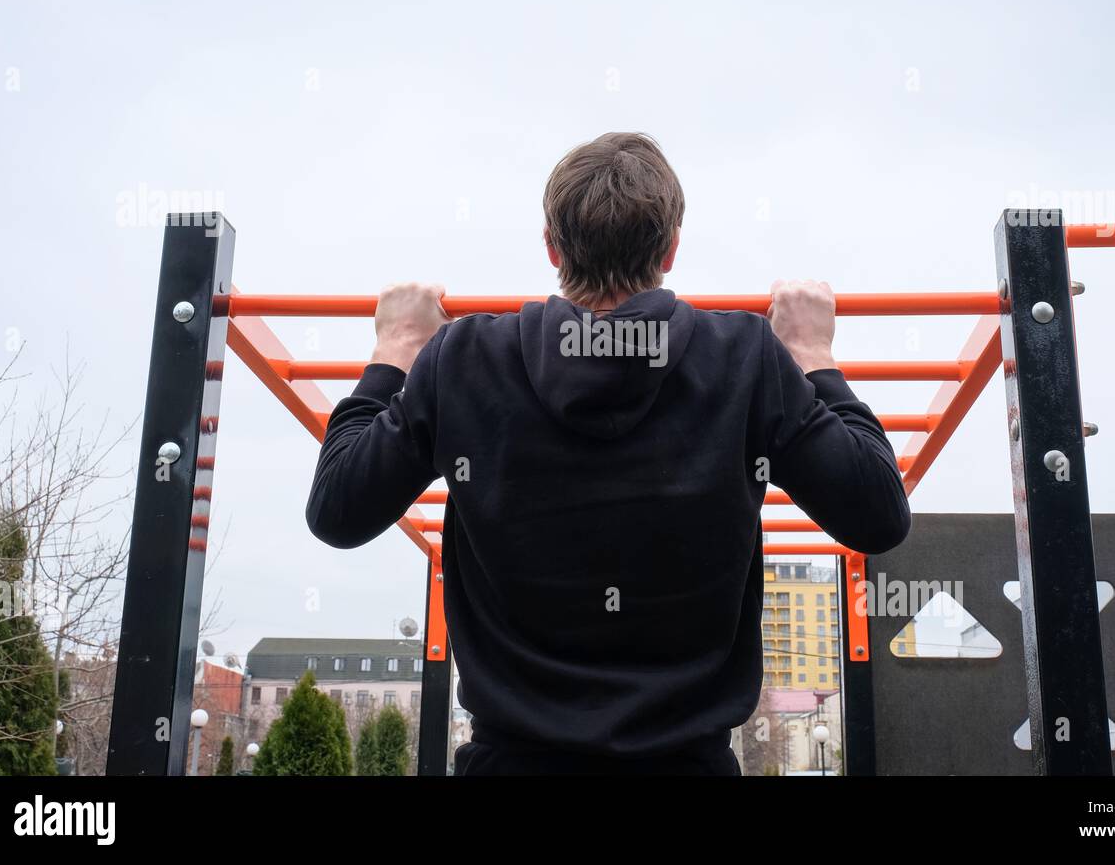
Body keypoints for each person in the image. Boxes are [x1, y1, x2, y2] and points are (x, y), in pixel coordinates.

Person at [305, 132, 911, 775]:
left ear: (551, 246)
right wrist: (814, 357)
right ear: (672, 249)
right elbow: (878, 514)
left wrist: (395, 349)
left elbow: (338, 510)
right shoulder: (744, 358)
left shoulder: (465, 359)